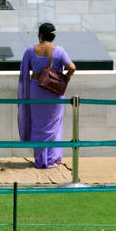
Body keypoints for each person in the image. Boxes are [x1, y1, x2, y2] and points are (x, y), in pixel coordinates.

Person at [17, 22, 77, 169]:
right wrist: (65, 78)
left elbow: (24, 74)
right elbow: (72, 67)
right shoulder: (60, 51)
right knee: (53, 125)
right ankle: (52, 158)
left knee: (38, 124)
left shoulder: (30, 51)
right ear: (53, 36)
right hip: (54, 92)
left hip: (36, 91)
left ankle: (41, 160)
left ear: (40, 35)